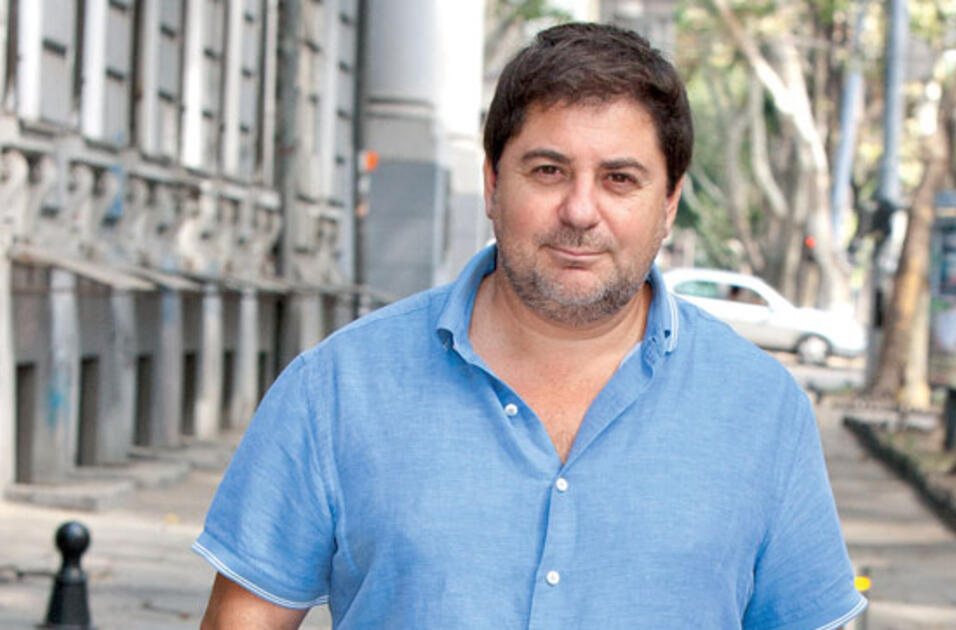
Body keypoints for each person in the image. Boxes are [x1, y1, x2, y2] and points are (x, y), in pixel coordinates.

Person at [195, 22, 866, 629]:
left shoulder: (762, 411)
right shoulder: (338, 389)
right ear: (493, 184)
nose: (580, 210)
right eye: (549, 171)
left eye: (619, 179)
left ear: (669, 203)